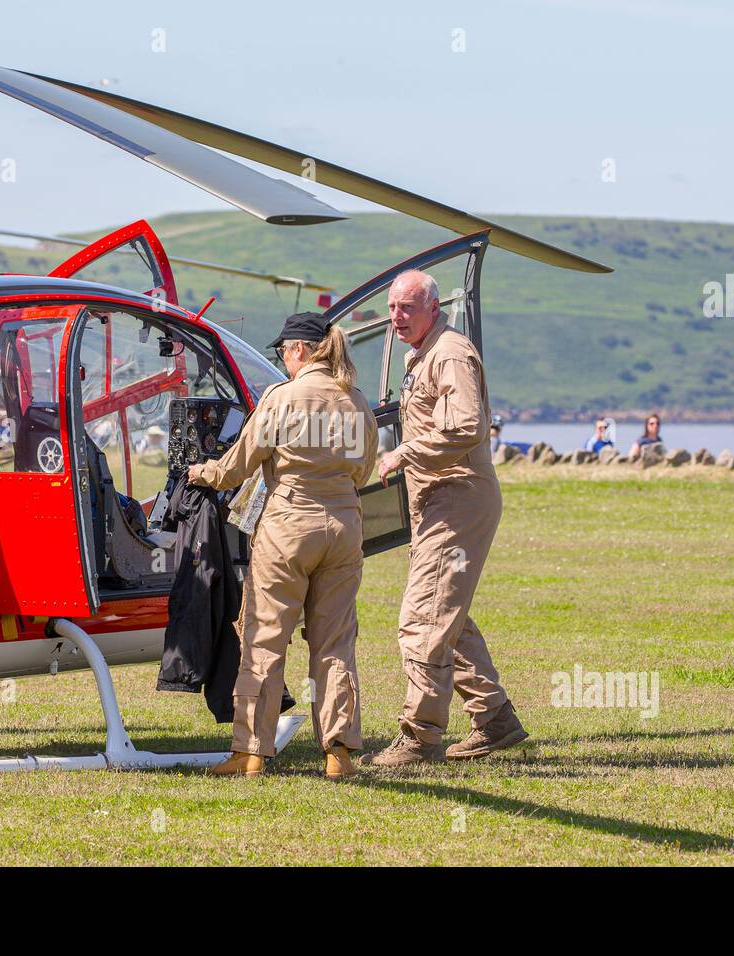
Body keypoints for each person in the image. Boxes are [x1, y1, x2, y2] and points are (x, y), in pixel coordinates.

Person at [189, 311, 378, 780]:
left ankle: (250, 752)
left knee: (264, 639)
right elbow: (364, 470)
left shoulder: (282, 397)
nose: (282, 360)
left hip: (289, 524)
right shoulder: (355, 401)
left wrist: (200, 472)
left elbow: (237, 466)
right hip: (344, 526)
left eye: (282, 352)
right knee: (335, 643)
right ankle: (338, 753)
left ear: (298, 350)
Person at [368, 270, 528, 768]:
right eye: (393, 307)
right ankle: (495, 720)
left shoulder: (450, 353)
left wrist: (405, 451)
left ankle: (420, 736)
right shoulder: (424, 354)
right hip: (438, 501)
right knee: (448, 616)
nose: (397, 316)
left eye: (408, 307)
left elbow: (465, 424)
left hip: (456, 497)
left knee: (422, 619)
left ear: (434, 308)